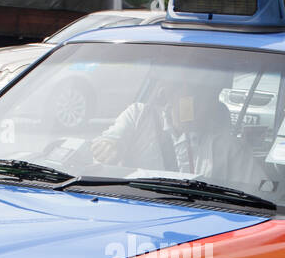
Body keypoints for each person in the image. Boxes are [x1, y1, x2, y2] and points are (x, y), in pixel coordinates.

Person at [90, 76, 265, 192]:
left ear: (213, 100)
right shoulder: (139, 116)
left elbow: (261, 190)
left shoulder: (226, 146)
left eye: (202, 96)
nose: (193, 105)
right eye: (187, 95)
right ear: (167, 94)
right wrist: (109, 147)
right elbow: (112, 139)